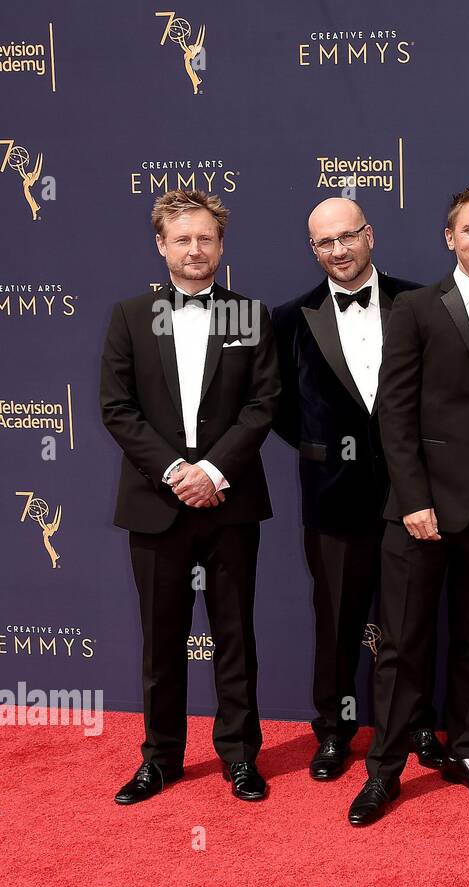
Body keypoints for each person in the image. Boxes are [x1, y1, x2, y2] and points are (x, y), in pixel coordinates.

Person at [348, 186, 469, 826]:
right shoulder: (415, 308)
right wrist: (413, 498)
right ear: (450, 238)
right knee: (402, 643)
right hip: (419, 512)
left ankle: (466, 751)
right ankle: (385, 770)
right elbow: (393, 413)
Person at [101, 189, 279, 804]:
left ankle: (240, 757)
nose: (195, 249)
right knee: (161, 639)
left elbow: (263, 403)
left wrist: (214, 471)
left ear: (221, 245)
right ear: (161, 245)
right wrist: (177, 470)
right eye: (183, 239)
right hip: (157, 504)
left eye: (206, 238)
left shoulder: (249, 315)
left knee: (235, 635)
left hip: (231, 503)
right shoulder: (130, 315)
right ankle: (160, 758)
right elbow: (117, 408)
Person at [270, 198, 422, 781]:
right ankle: (334, 730)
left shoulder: (417, 303)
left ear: (369, 235)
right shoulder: (290, 318)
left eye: (348, 236)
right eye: (325, 242)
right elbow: (279, 406)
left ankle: (414, 725)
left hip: (411, 495)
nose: (338, 250)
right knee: (335, 621)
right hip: (332, 497)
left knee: (410, 620)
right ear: (313, 250)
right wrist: (324, 448)